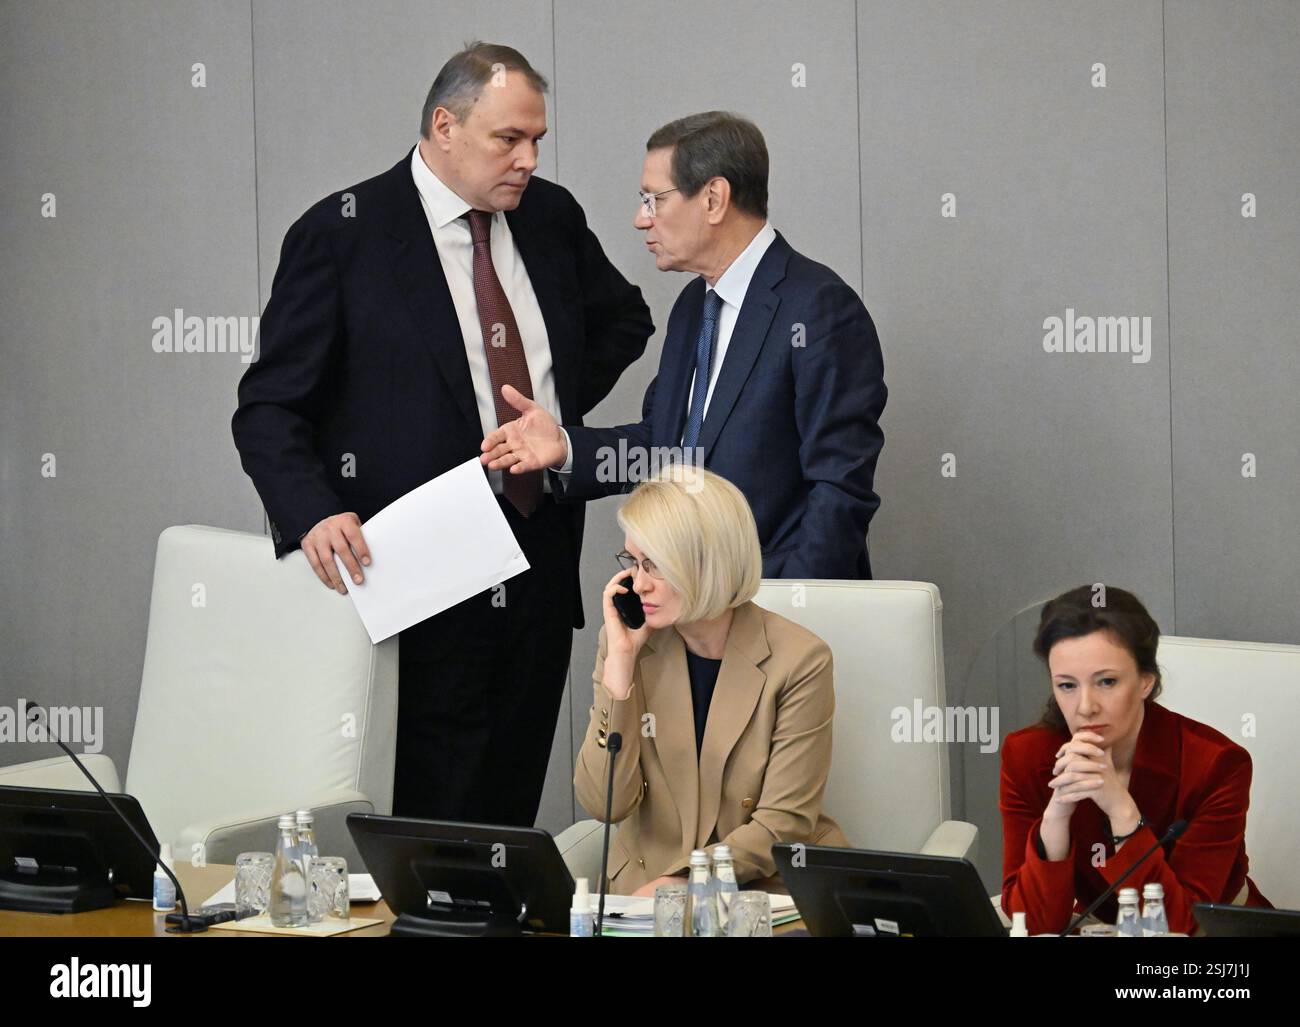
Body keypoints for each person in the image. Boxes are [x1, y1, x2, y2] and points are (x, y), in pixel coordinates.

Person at [231, 42, 653, 826]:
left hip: (538, 567)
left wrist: (544, 417)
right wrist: (312, 510)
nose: (528, 161)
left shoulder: (550, 216)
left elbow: (623, 319)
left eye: (537, 141)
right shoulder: (343, 232)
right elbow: (268, 407)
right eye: (508, 139)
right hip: (417, 581)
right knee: (431, 827)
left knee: (508, 819)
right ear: (444, 126)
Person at [480, 111, 886, 579]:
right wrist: (565, 447)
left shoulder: (819, 308)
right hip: (689, 600)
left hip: (772, 604)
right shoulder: (695, 304)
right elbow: (665, 449)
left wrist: (784, 604)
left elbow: (839, 490)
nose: (640, 219)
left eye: (653, 200)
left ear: (713, 199)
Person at [573, 464, 850, 897]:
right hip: (647, 894)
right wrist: (620, 675)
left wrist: (684, 881)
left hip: (760, 889)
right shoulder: (627, 645)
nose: (638, 585)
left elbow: (783, 823)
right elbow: (604, 804)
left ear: (709, 564)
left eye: (655, 565)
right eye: (634, 562)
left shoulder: (800, 660)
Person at [1000, 585, 1271, 934]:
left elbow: (1180, 926)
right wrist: (1056, 818)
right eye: (1067, 685)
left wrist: (1121, 810)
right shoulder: (1026, 755)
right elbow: (1031, 926)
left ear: (1146, 681)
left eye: (1107, 682)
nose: (1085, 707)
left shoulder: (1217, 764)